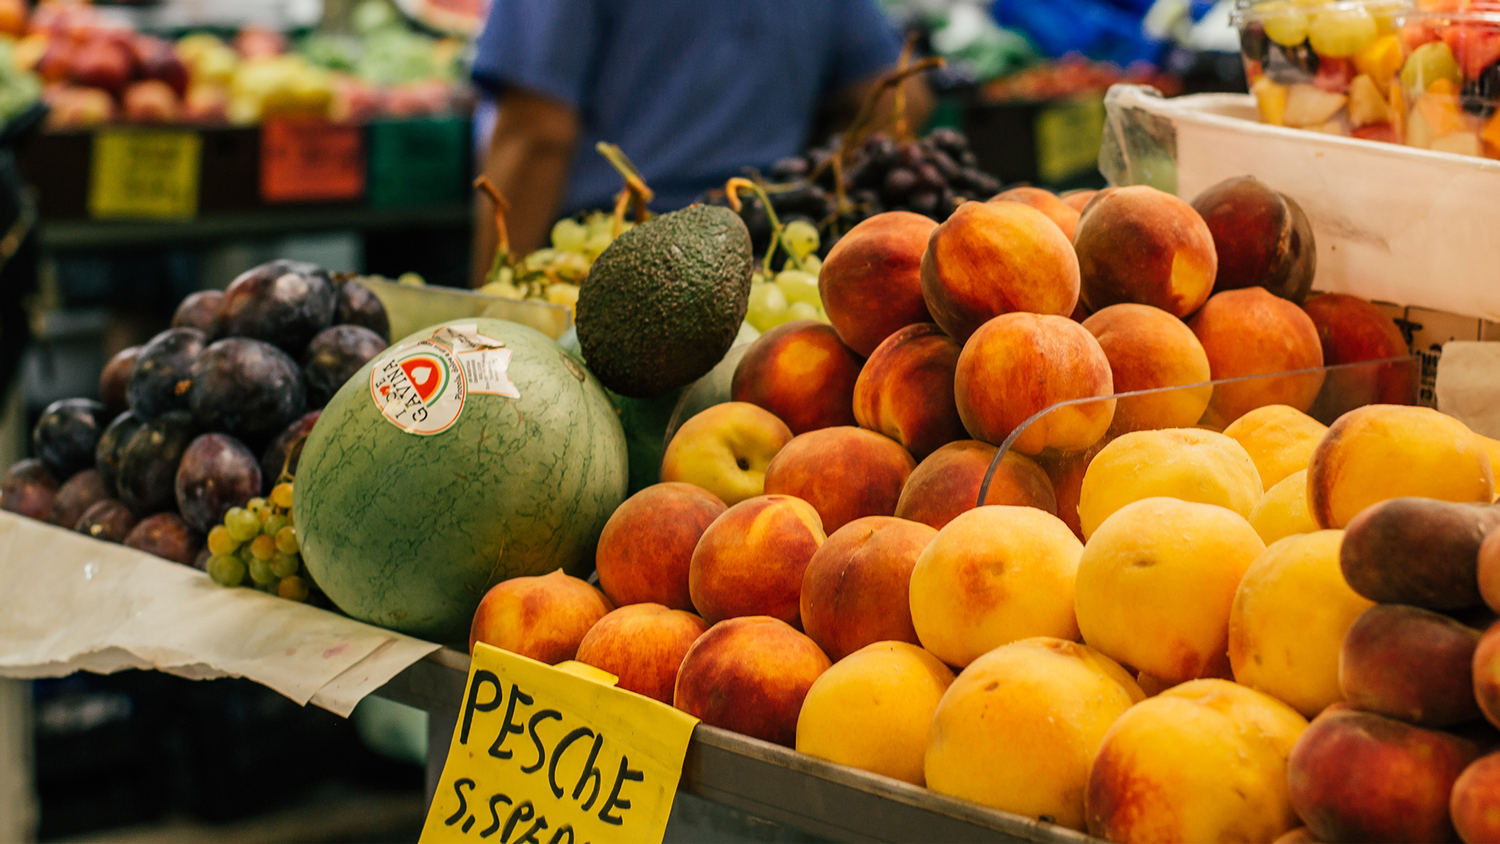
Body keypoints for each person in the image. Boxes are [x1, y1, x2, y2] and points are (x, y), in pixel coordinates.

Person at [469, 0, 933, 285]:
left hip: (601, 265)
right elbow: (902, 98)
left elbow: (537, 136)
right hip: (757, 266)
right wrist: (813, 183)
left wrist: (489, 310)